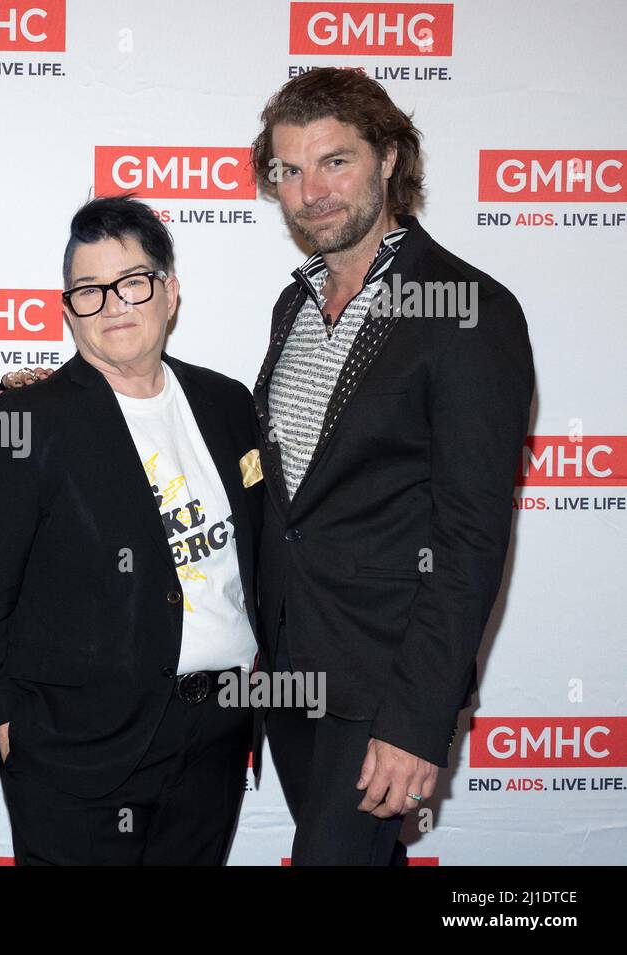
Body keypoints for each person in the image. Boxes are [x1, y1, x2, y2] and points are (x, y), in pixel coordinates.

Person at [248, 68, 535, 864]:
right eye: (289, 170)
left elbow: (471, 538)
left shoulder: (468, 310)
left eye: (334, 161)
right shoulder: (294, 305)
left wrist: (416, 720)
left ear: (389, 158)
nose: (312, 190)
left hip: (386, 684)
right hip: (293, 676)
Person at [0, 194, 265, 865]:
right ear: (69, 310)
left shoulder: (228, 403)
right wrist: (9, 730)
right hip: (75, 752)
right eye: (89, 290)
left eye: (133, 282)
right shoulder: (24, 423)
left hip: (214, 737)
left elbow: (264, 556)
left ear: (169, 292)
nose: (114, 304)